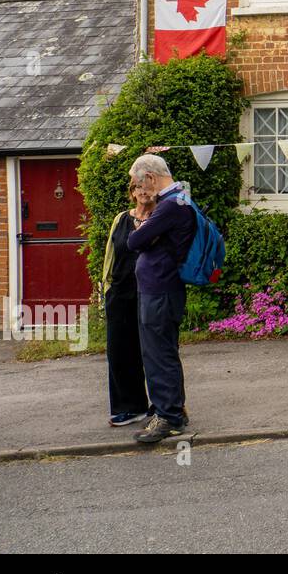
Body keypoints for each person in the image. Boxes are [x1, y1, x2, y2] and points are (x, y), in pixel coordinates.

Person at [125, 154, 196, 445]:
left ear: (151, 178)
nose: (141, 190)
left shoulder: (170, 205)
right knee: (163, 350)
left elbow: (134, 241)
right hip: (162, 288)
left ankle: (168, 417)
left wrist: (144, 231)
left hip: (160, 289)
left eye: (140, 183)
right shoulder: (178, 200)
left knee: (158, 353)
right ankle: (174, 409)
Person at [99, 181, 155, 426]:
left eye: (148, 186)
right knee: (119, 351)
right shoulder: (120, 219)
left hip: (150, 292)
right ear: (132, 192)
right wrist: (106, 287)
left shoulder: (161, 217)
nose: (143, 191)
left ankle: (161, 405)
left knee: (152, 351)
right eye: (138, 187)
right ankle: (129, 407)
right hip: (120, 292)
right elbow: (110, 253)